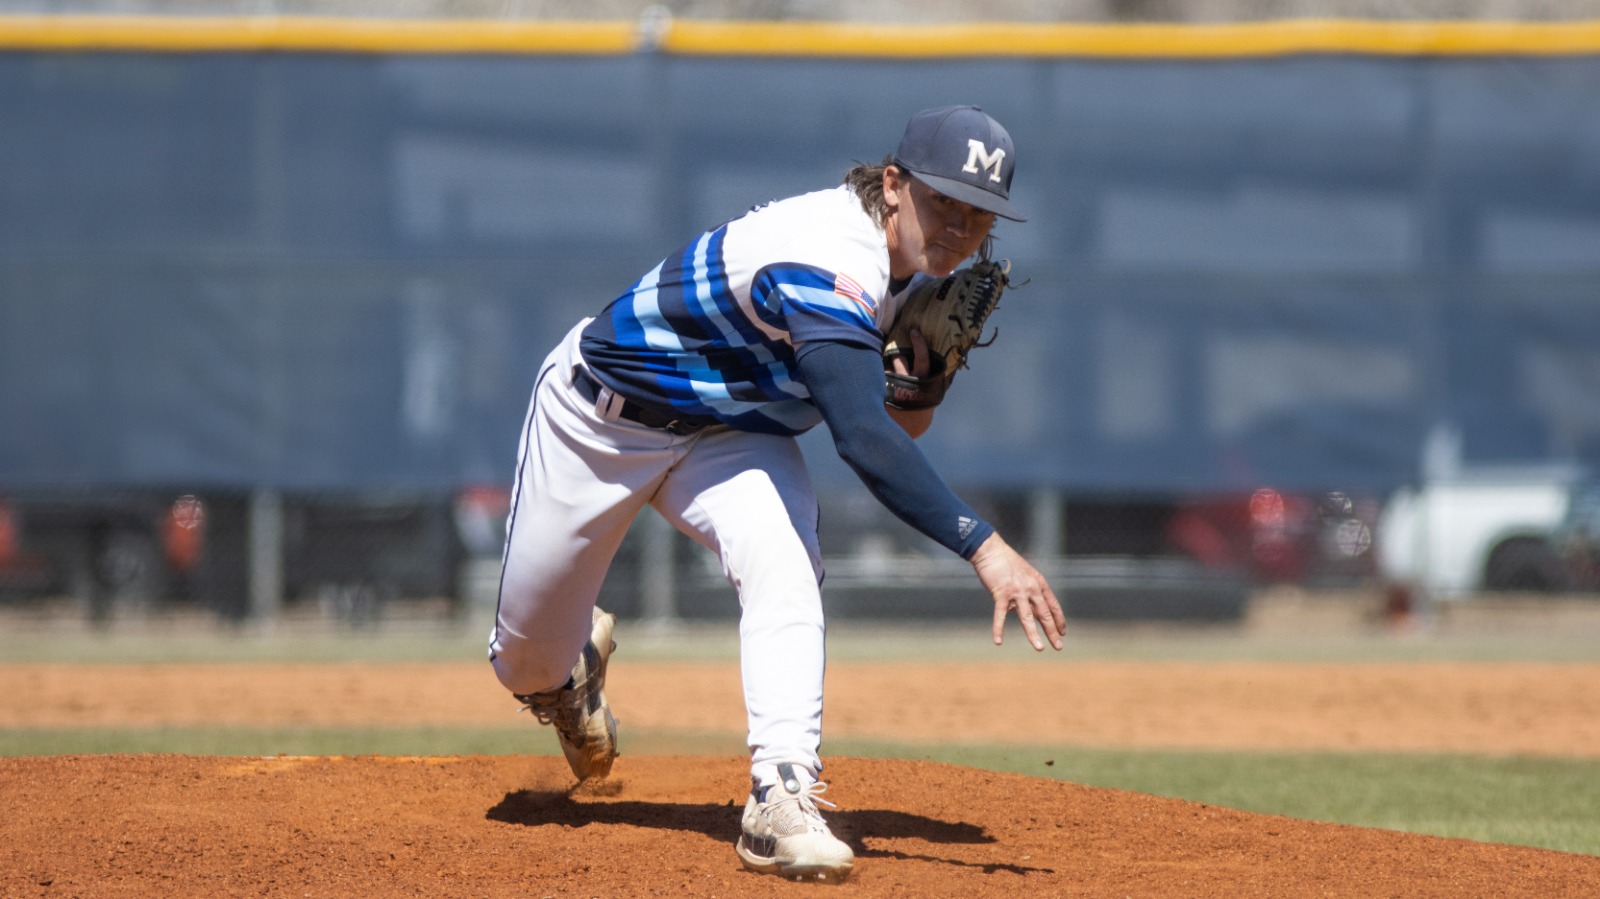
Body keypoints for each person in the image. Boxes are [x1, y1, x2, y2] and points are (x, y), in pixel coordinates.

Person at [488, 104, 1065, 884]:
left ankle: (782, 797)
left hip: (731, 434)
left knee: (786, 561)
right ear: (893, 185)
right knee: (522, 665)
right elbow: (863, 438)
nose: (962, 227)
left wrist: (924, 373)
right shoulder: (830, 256)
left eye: (980, 214)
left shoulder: (912, 274)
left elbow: (904, 424)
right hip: (599, 424)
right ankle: (566, 676)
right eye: (944, 202)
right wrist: (986, 548)